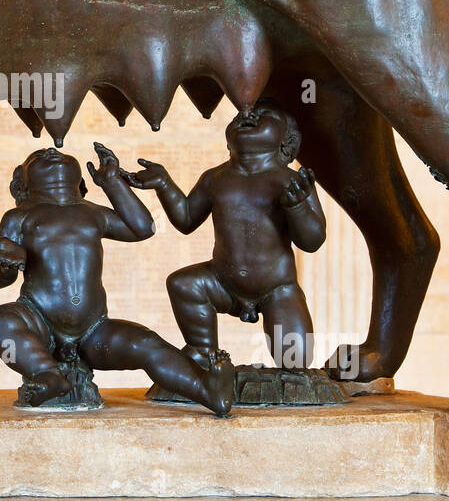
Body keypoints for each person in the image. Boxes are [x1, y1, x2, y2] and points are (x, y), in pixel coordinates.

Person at [0, 143, 234, 415]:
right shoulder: (19, 217)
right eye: (38, 157)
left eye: (57, 152)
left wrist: (113, 183)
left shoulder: (92, 212)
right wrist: (3, 261)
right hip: (38, 321)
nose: (51, 152)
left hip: (95, 331)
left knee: (145, 344)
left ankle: (208, 391)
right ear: (23, 185)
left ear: (79, 181)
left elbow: (142, 228)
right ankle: (46, 373)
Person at [128, 101, 325, 371]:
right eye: (239, 116)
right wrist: (164, 184)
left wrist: (298, 207)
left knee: (296, 361)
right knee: (183, 284)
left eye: (264, 114)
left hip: (277, 287)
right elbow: (186, 219)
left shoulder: (291, 182)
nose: (248, 115)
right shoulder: (215, 178)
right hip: (221, 282)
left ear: (286, 140)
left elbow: (312, 241)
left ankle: (290, 369)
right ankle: (204, 353)